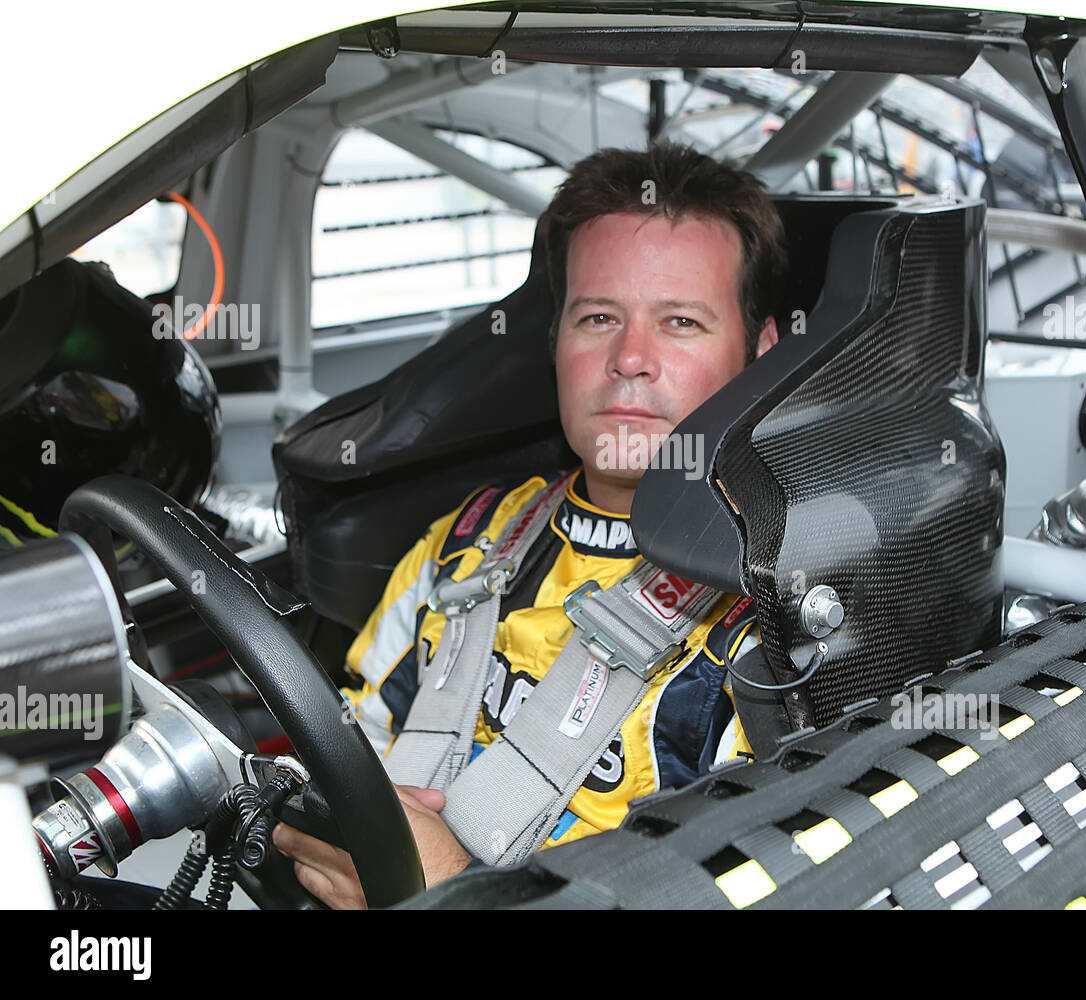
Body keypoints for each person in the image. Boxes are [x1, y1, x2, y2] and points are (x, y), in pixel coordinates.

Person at [272, 140, 787, 908]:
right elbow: (359, 738)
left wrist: (449, 886)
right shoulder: (466, 540)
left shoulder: (772, 617)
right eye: (598, 317)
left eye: (680, 321)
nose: (629, 358)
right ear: (557, 343)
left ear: (760, 354)